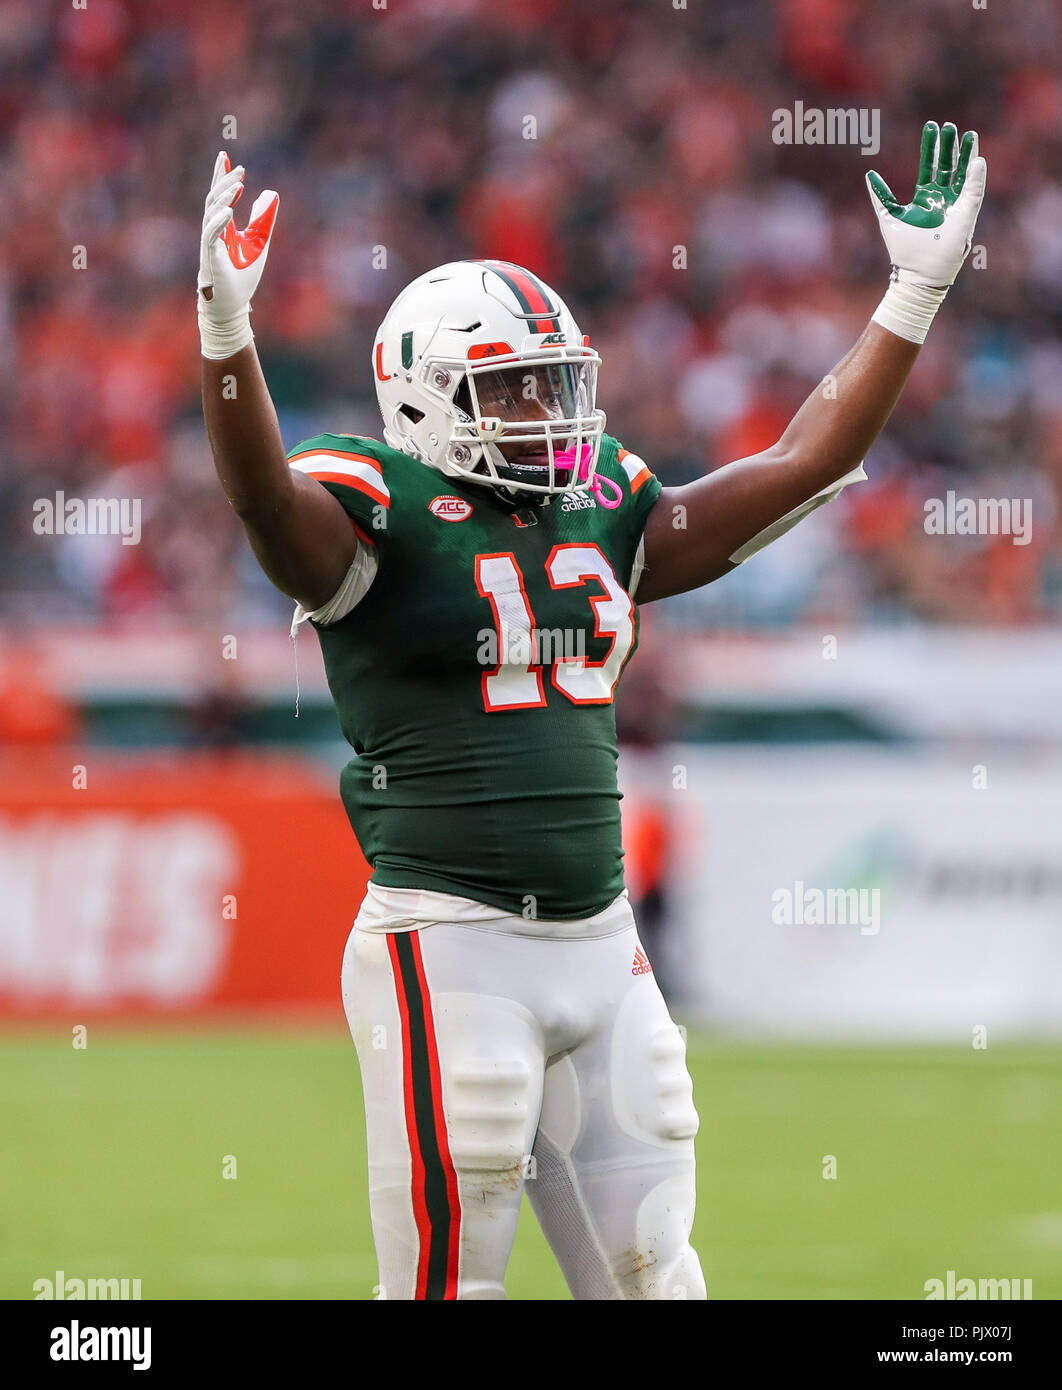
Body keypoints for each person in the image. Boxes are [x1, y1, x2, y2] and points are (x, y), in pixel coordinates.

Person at [199, 124, 985, 1299]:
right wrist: (227, 339)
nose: (544, 409)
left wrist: (911, 296)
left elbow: (799, 466)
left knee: (656, 1277)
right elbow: (264, 500)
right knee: (450, 1286)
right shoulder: (375, 508)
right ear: (424, 397)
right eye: (511, 387)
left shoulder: (602, 499)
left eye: (553, 381)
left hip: (602, 942)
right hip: (449, 944)